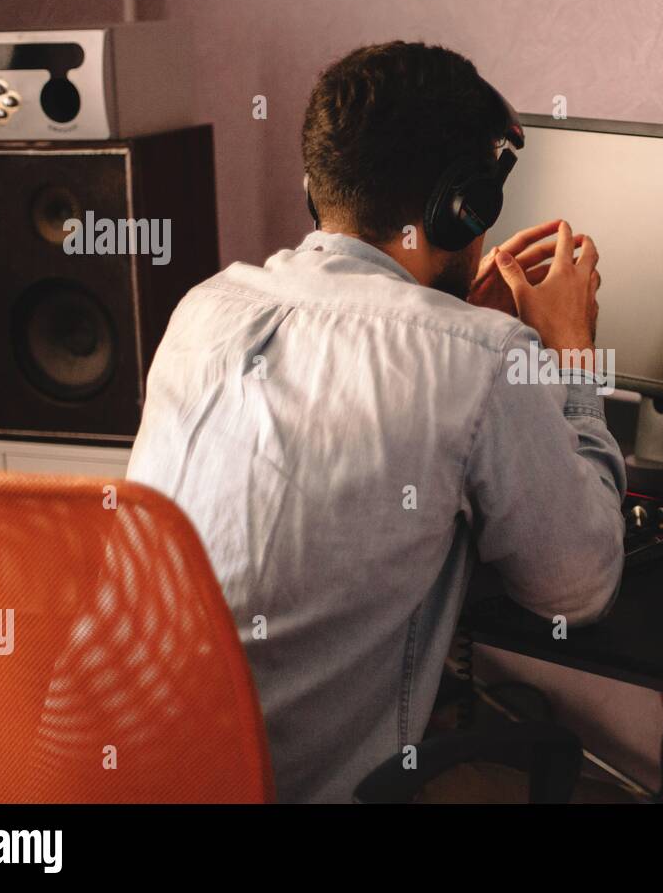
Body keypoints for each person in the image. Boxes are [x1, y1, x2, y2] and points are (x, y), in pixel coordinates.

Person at [126, 41, 626, 802]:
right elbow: (579, 588)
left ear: (314, 188)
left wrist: (458, 330)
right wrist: (570, 354)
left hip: (114, 772)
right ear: (466, 208)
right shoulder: (482, 358)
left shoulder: (205, 309)